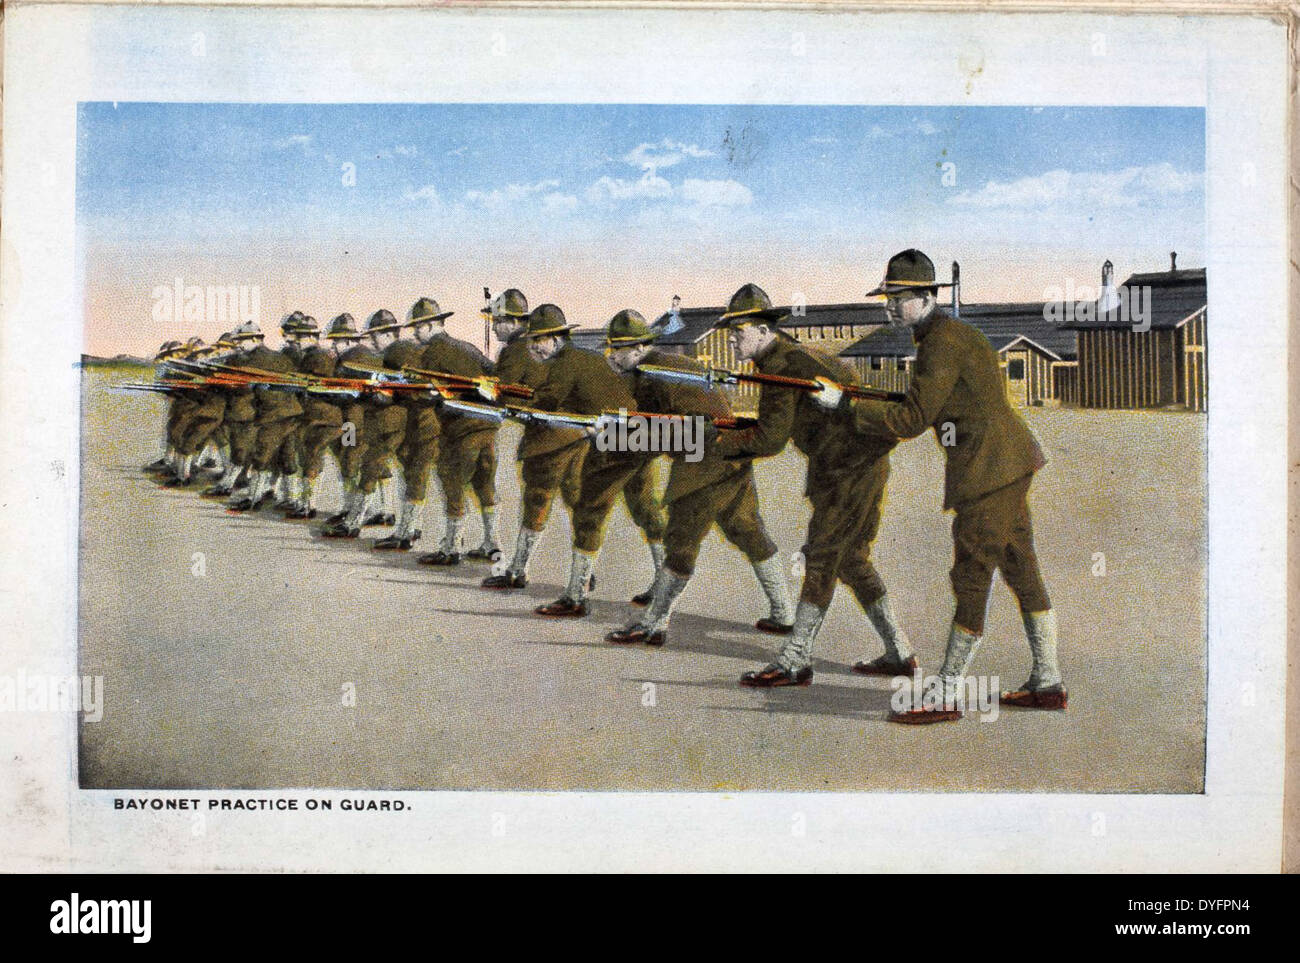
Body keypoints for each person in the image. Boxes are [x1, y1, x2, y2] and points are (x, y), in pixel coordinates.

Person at [814, 249, 1064, 722]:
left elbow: (911, 419)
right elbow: (936, 399)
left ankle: (947, 693)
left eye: (899, 298)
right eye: (888, 298)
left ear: (927, 297)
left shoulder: (940, 343)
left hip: (988, 471)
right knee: (1020, 565)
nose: (890, 307)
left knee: (971, 574)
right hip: (1008, 462)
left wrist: (843, 406)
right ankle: (1048, 683)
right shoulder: (953, 334)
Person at [701, 283, 913, 689]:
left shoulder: (781, 366)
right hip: (855, 467)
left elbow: (769, 439)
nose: (731, 339)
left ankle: (796, 658)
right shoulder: (791, 358)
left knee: (821, 558)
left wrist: (717, 443)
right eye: (730, 331)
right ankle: (900, 652)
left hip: (849, 471)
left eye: (738, 331)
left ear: (764, 332)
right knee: (851, 560)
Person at [603, 309, 793, 647]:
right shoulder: (656, 368)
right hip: (731, 457)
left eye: (617, 349)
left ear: (637, 348)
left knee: (680, 543)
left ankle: (653, 623)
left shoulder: (653, 374)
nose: (611, 356)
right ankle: (784, 612)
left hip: (705, 461)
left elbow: (674, 432)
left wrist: (613, 438)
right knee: (747, 530)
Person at [528, 309, 663, 617]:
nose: (534, 347)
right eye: (612, 346)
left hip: (614, 442)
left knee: (589, 513)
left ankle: (576, 596)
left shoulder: (569, 363)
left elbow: (545, 402)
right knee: (645, 508)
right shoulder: (599, 363)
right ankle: (662, 585)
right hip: (637, 439)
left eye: (539, 340)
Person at [480, 304, 589, 590]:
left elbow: (512, 395)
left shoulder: (517, 352)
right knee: (578, 504)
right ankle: (583, 576)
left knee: (537, 502)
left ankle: (519, 569)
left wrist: (492, 395)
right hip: (578, 438)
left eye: (539, 339)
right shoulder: (575, 357)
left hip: (551, 439)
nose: (535, 346)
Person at [407, 297, 499, 564]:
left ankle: (451, 548)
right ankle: (492, 543)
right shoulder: (467, 347)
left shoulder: (430, 354)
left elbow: (424, 395)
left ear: (433, 324)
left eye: (419, 326)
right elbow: (493, 376)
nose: (415, 332)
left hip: (460, 429)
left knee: (453, 483)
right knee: (485, 485)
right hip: (487, 425)